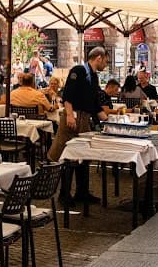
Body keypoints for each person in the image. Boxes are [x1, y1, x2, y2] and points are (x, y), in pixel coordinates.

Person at [48, 47, 110, 206]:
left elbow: (95, 104)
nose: (106, 64)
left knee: (83, 156)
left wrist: (109, 121)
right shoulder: (79, 70)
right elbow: (68, 94)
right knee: (68, 157)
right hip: (73, 118)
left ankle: (82, 192)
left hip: (85, 120)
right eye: (106, 61)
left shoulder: (94, 76)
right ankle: (64, 195)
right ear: (98, 58)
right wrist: (69, 115)